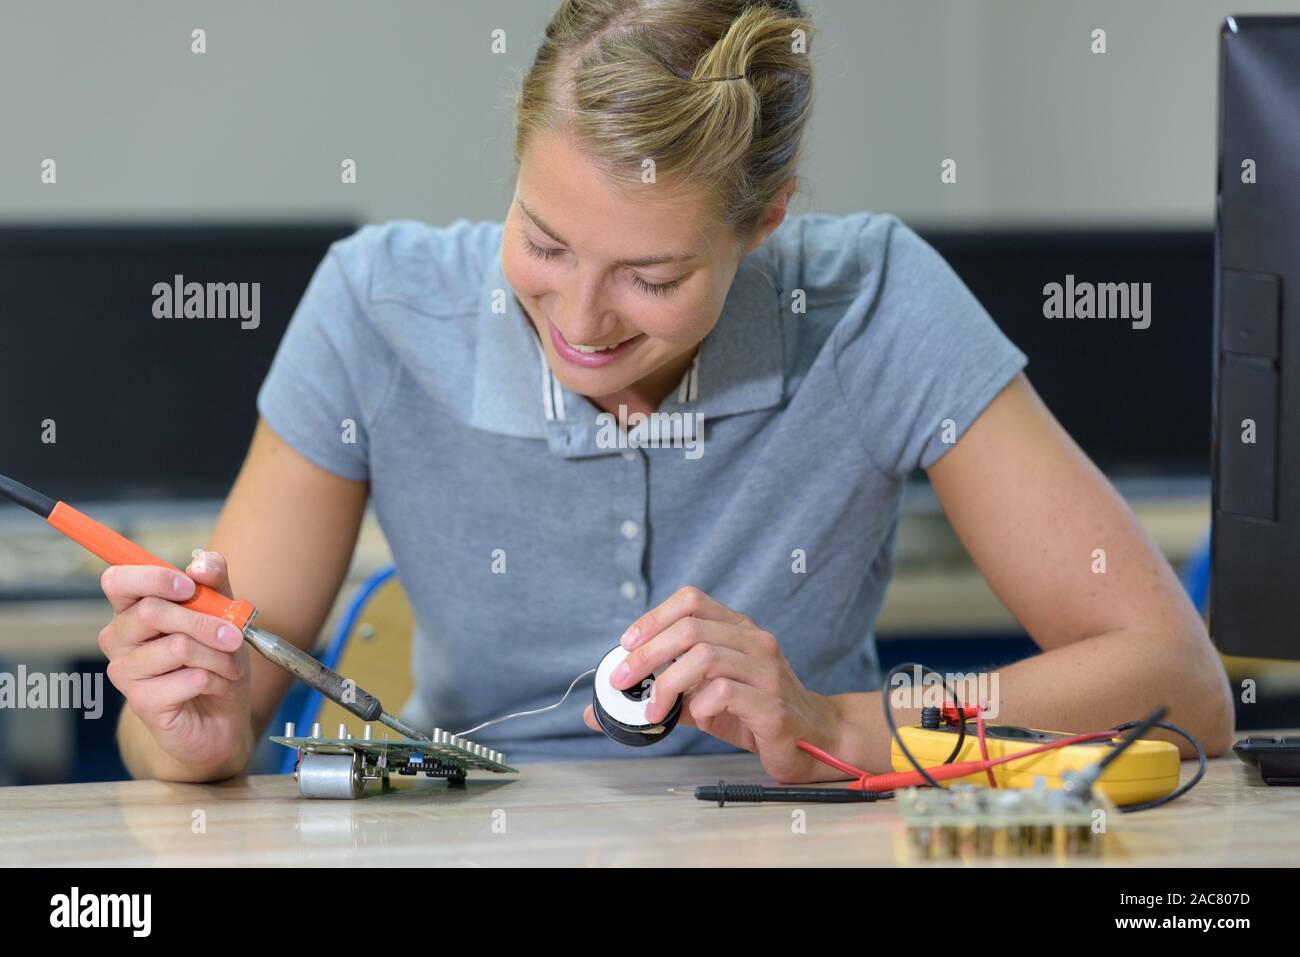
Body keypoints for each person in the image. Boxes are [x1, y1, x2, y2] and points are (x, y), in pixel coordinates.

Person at [99, 0, 1233, 784]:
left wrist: (842, 725)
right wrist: (183, 737)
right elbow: (211, 722)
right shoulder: (374, 311)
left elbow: (1175, 686)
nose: (582, 323)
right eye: (542, 242)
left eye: (652, 277)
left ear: (766, 224)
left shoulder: (875, 299)